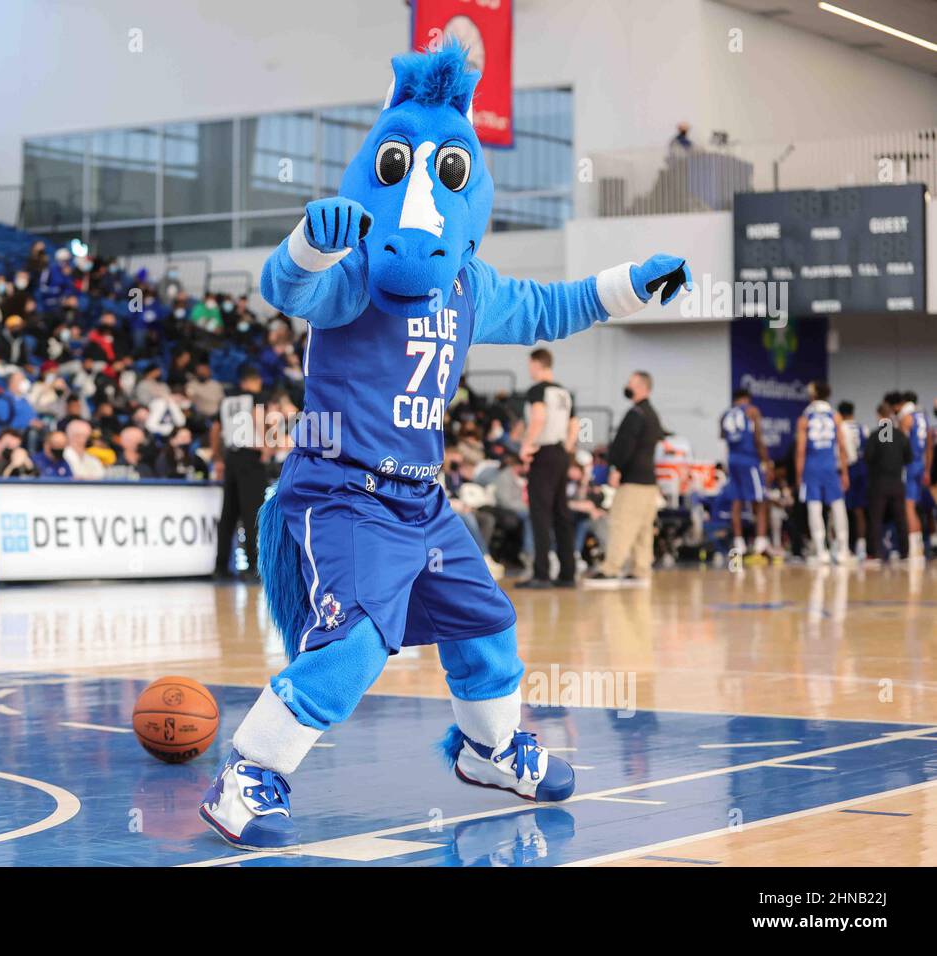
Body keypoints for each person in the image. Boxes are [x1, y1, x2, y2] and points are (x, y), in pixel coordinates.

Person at [197, 42, 691, 851]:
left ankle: (490, 749)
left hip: (422, 499)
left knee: (486, 622)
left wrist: (633, 281)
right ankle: (249, 774)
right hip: (343, 492)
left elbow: (551, 308)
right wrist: (309, 243)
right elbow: (287, 290)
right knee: (354, 643)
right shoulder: (353, 270)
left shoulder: (470, 282)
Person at [586, 370, 665, 586]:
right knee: (643, 529)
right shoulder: (652, 414)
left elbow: (625, 445)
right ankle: (640, 570)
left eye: (630, 382)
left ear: (641, 386)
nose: (627, 385)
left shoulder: (636, 414)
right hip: (649, 482)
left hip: (633, 481)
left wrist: (616, 468)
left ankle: (611, 569)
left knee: (621, 523)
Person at [517, 348, 576, 588]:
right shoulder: (565, 393)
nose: (529, 369)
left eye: (530, 365)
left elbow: (538, 417)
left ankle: (541, 574)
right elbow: (575, 426)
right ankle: (567, 573)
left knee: (540, 514)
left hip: (544, 454)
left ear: (538, 364)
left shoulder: (537, 390)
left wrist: (526, 446)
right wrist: (566, 450)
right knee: (561, 513)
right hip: (561, 453)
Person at [210, 364, 268, 581]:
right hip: (250, 457)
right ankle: (253, 566)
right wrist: (264, 447)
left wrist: (217, 456)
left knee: (228, 515)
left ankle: (220, 567)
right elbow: (258, 419)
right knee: (252, 513)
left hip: (231, 458)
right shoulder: (255, 397)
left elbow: (215, 429)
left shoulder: (226, 401)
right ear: (254, 381)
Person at [795, 381, 852, 565]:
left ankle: (821, 551)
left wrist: (798, 474)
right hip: (829, 466)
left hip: (812, 466)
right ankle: (843, 549)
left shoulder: (805, 418)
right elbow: (842, 446)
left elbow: (801, 450)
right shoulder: (835, 416)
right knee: (838, 506)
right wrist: (844, 472)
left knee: (814, 507)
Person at [717, 386, 772, 560]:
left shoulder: (725, 415)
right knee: (761, 499)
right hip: (749, 460)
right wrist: (766, 461)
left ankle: (739, 543)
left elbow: (722, 437)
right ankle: (760, 542)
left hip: (733, 460)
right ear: (747, 398)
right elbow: (757, 438)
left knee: (737, 501)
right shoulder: (752, 411)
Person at [864, 400, 911, 566]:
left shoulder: (875, 435)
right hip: (897, 483)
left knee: (875, 519)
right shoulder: (900, 435)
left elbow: (868, 458)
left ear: (879, 416)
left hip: (879, 484)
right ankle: (905, 553)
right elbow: (909, 458)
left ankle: (875, 554)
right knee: (901, 519)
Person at [894, 390, 931, 563]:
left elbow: (891, 442)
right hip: (921, 465)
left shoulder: (905, 418)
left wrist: (887, 423)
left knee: (908, 506)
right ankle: (919, 547)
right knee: (914, 506)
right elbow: (929, 445)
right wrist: (927, 469)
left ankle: (915, 549)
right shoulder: (923, 416)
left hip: (909, 465)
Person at [839, 400, 868, 558]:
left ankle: (844, 545)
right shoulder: (863, 427)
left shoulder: (841, 427)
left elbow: (844, 452)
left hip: (848, 470)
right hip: (864, 471)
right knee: (859, 510)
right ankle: (861, 544)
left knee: (842, 509)